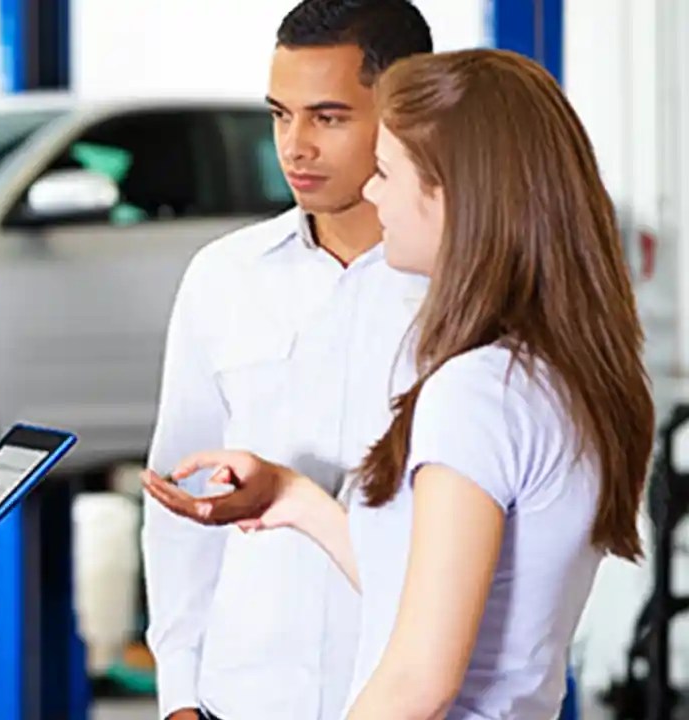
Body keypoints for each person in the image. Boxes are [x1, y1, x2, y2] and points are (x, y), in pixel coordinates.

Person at [145, 48, 654, 719]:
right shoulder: (548, 373)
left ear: (455, 195)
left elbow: (420, 679)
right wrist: (295, 498)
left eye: (387, 172)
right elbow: (428, 594)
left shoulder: (472, 394)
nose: (374, 192)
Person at [140, 2, 433, 718]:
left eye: (328, 117)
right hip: (241, 699)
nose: (294, 146)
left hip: (408, 698)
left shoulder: (460, 292)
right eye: (280, 114)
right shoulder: (224, 277)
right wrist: (179, 694)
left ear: (408, 113)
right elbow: (180, 499)